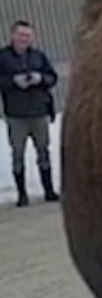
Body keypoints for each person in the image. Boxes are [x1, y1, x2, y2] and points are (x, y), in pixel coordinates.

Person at [0, 20, 59, 207]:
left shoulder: (38, 56)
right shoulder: (3, 57)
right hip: (16, 115)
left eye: (28, 35)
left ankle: (48, 191)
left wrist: (40, 78)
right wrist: (13, 81)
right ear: (13, 36)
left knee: (43, 152)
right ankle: (22, 194)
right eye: (21, 35)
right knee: (17, 154)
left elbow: (52, 77)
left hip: (39, 113)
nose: (24, 38)